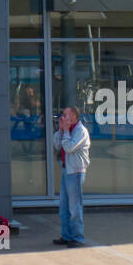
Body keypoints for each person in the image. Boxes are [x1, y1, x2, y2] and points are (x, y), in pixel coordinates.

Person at [51, 105, 91, 247]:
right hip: (66, 170)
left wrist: (66, 130)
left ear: (74, 116)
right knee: (64, 207)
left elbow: (68, 148)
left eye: (66, 115)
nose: (63, 117)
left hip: (76, 172)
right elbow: (56, 144)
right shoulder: (68, 130)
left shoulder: (81, 131)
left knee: (75, 207)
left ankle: (78, 238)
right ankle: (67, 236)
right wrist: (61, 130)